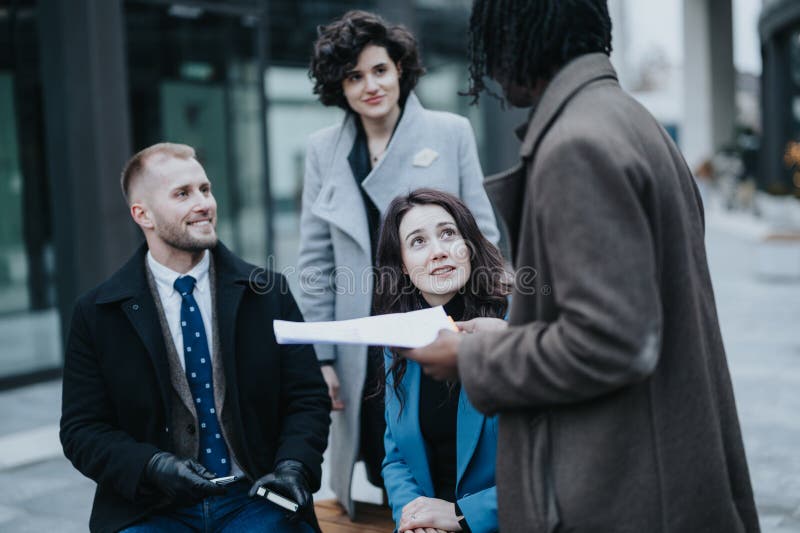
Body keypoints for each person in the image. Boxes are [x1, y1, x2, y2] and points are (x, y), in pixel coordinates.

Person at [402, 1, 760, 532]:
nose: (492, 72)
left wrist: (476, 355)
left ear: (517, 37)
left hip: (626, 490)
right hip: (670, 471)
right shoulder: (633, 121)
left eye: (491, 47)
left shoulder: (577, 145)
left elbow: (611, 340)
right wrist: (509, 331)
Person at [60, 143, 331, 533]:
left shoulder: (268, 292)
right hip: (149, 507)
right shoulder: (97, 313)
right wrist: (152, 466)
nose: (204, 203)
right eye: (183, 194)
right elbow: (82, 430)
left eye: (205, 189)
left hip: (254, 498)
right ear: (143, 214)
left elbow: (308, 397)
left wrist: (293, 467)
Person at [298, 9, 500, 518]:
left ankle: (458, 517)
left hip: (439, 316)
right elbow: (316, 261)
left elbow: (483, 231)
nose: (371, 86)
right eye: (354, 76)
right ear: (337, 86)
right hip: (362, 332)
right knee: (390, 452)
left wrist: (494, 324)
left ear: (401, 70)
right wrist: (322, 356)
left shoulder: (449, 132)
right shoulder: (324, 150)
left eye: (380, 70)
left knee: (459, 442)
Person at [374, 189, 508, 533]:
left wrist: (465, 516)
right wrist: (415, 520)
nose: (438, 252)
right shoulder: (400, 339)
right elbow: (397, 457)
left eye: (448, 233)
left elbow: (560, 460)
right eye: (418, 242)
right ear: (402, 265)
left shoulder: (516, 330)